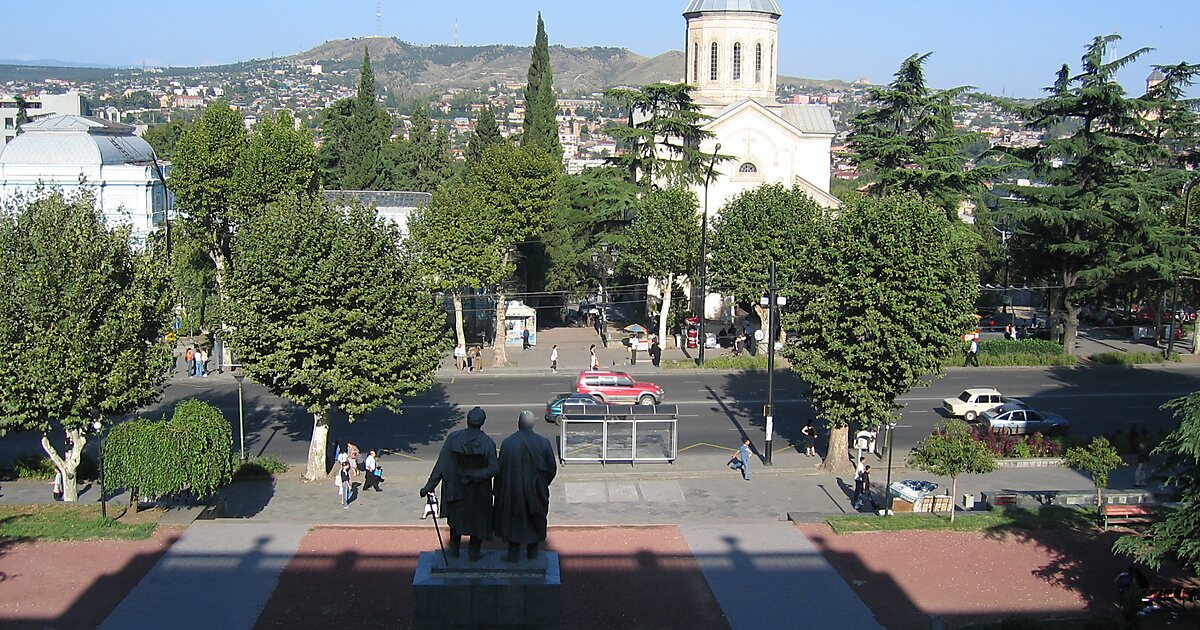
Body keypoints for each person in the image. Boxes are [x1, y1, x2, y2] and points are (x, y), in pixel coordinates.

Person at [420, 406, 499, 561]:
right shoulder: (487, 442)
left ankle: (454, 549)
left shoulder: (453, 438)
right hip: (478, 492)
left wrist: (429, 486)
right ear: (482, 422)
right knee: (476, 523)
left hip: (458, 489)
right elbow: (494, 468)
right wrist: (476, 475)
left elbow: (441, 465)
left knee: (456, 522)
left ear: (467, 420)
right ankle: (473, 552)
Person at [494, 410, 559, 562]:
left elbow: (500, 469)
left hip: (513, 491)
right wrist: (542, 484)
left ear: (519, 424)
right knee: (534, 520)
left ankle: (513, 553)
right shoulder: (543, 443)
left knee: (514, 521)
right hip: (536, 491)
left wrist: (499, 490)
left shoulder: (508, 443)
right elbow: (552, 468)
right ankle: (533, 552)